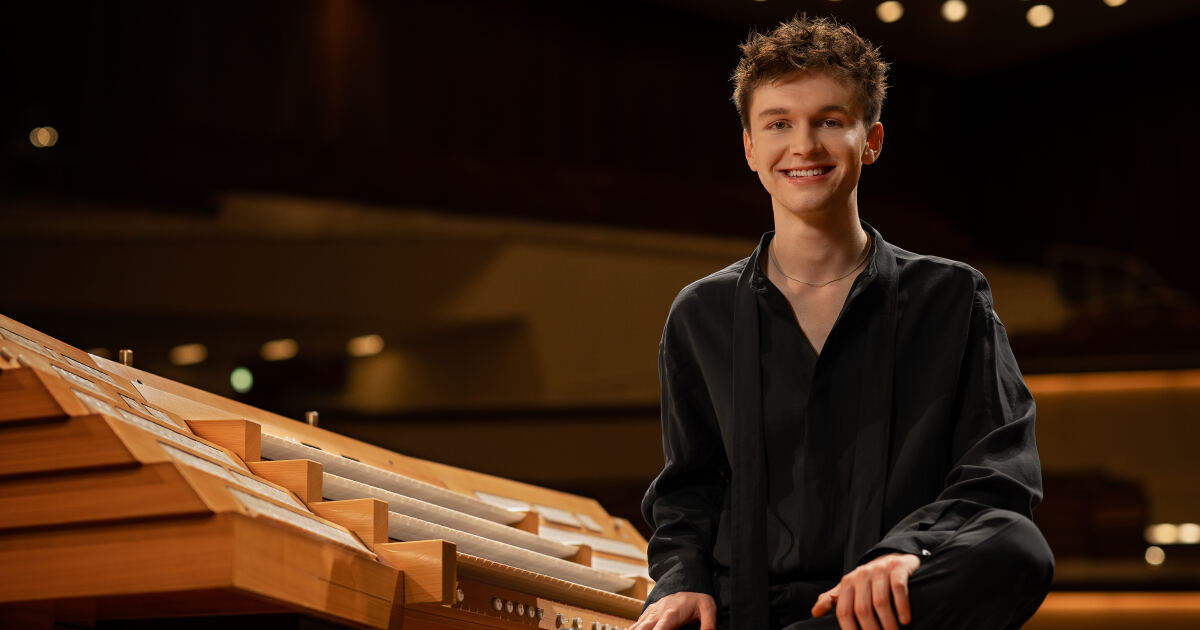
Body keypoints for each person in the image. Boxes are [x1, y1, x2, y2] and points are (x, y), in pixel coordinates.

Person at [631, 16, 1054, 630]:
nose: (804, 145)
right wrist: (681, 580)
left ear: (872, 140)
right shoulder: (702, 313)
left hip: (893, 604)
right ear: (751, 148)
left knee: (1019, 549)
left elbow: (997, 477)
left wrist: (904, 550)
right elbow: (689, 488)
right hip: (753, 609)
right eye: (779, 123)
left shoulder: (952, 296)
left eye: (830, 121)